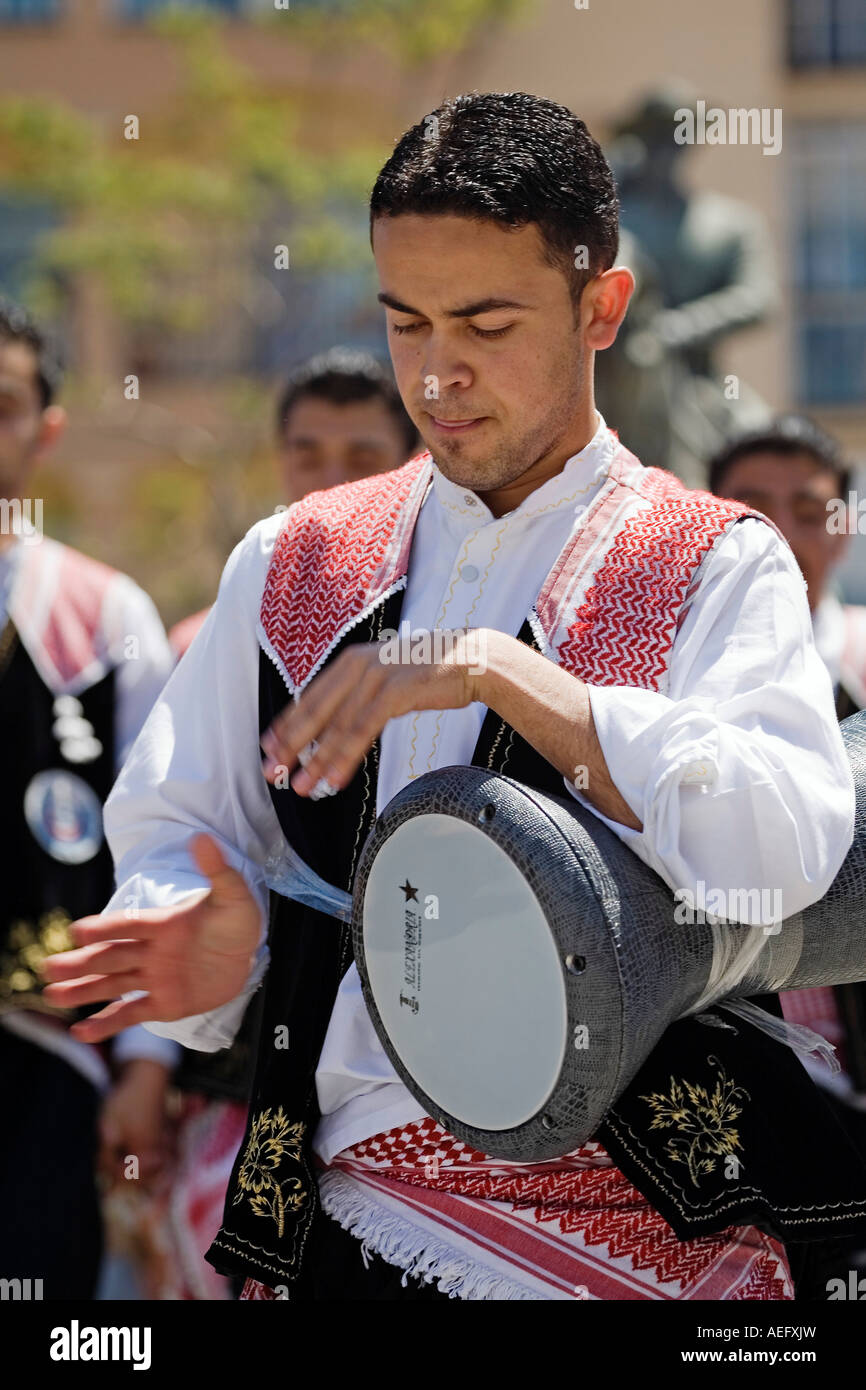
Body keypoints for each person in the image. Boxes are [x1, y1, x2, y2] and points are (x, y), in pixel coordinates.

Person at [44, 93, 865, 1302]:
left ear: (602, 308)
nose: (437, 373)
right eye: (405, 323)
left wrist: (509, 675)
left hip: (649, 1232)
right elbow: (180, 829)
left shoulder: (710, 557)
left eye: (485, 322)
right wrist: (209, 940)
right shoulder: (294, 559)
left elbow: (784, 847)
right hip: (342, 1218)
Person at [153, 349, 418, 1299]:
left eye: (362, 449)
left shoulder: (444, 626)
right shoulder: (221, 628)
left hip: (416, 1037)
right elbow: (171, 841)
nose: (332, 474)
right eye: (309, 450)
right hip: (246, 1048)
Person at [0, 297, 177, 1299]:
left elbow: (164, 845)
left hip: (50, 1067)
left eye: (1, 404)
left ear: (46, 427)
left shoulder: (104, 616)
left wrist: (147, 1058)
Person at [709, 416, 866, 1116]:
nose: (775, 536)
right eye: (749, 511)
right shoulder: (656, 691)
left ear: (843, 527)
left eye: (807, 511)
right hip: (737, 1081)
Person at [169, 347, 417, 660]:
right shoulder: (200, 649)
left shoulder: (446, 637)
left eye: (362, 459)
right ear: (281, 461)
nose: (335, 482)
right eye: (309, 459)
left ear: (414, 463)